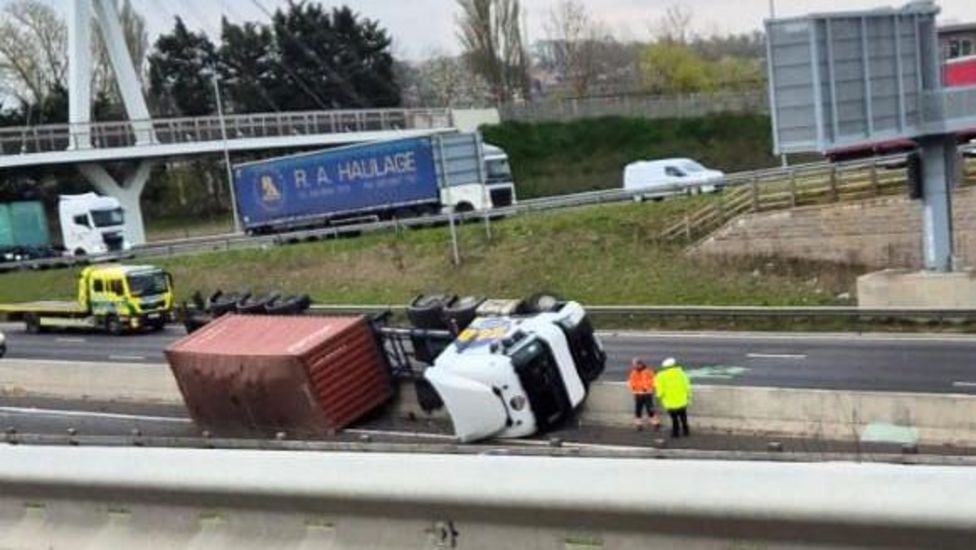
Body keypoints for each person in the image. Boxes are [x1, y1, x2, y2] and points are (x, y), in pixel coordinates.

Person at [655, 357, 692, 438]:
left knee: (674, 418)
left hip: (670, 402)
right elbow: (687, 386)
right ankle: (686, 430)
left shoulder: (660, 376)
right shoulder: (682, 374)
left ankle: (676, 432)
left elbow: (660, 390)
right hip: (682, 400)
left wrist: (658, 396)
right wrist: (689, 397)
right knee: (683, 416)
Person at [627, 358, 660, 431]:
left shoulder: (648, 371)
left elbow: (654, 380)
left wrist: (647, 387)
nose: (635, 366)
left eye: (636, 364)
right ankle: (638, 424)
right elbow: (631, 382)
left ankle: (656, 424)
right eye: (634, 365)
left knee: (650, 409)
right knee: (638, 410)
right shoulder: (633, 373)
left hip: (647, 393)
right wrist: (634, 389)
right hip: (638, 394)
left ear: (641, 364)